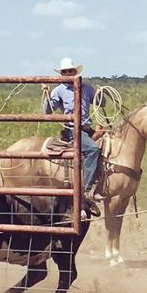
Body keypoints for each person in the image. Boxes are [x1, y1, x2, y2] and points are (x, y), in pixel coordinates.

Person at [40, 57, 104, 206]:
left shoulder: (87, 88)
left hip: (87, 127)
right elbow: (47, 111)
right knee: (93, 149)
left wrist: (100, 94)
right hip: (72, 129)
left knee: (110, 143)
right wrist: (47, 95)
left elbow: (101, 103)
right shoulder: (59, 91)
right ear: (62, 74)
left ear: (75, 72)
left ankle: (105, 182)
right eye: (65, 71)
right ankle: (88, 190)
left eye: (70, 71)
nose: (68, 73)